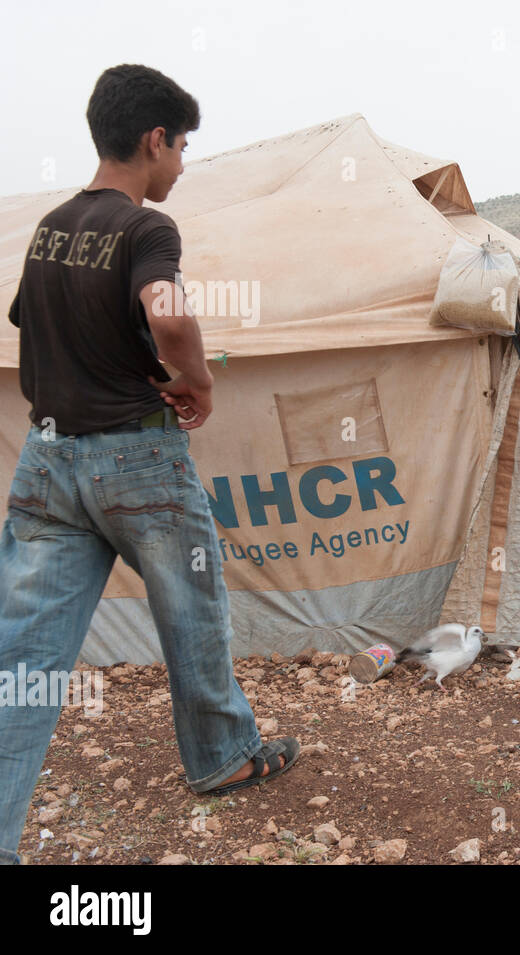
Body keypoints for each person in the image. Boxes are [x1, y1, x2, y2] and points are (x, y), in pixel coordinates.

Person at [0, 65, 298, 865]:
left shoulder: (51, 225)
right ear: (153, 138)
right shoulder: (145, 229)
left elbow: (29, 319)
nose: (183, 164)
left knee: (20, 661)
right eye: (183, 145)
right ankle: (223, 756)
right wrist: (194, 378)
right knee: (193, 610)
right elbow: (164, 313)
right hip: (136, 459)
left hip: (46, 461)